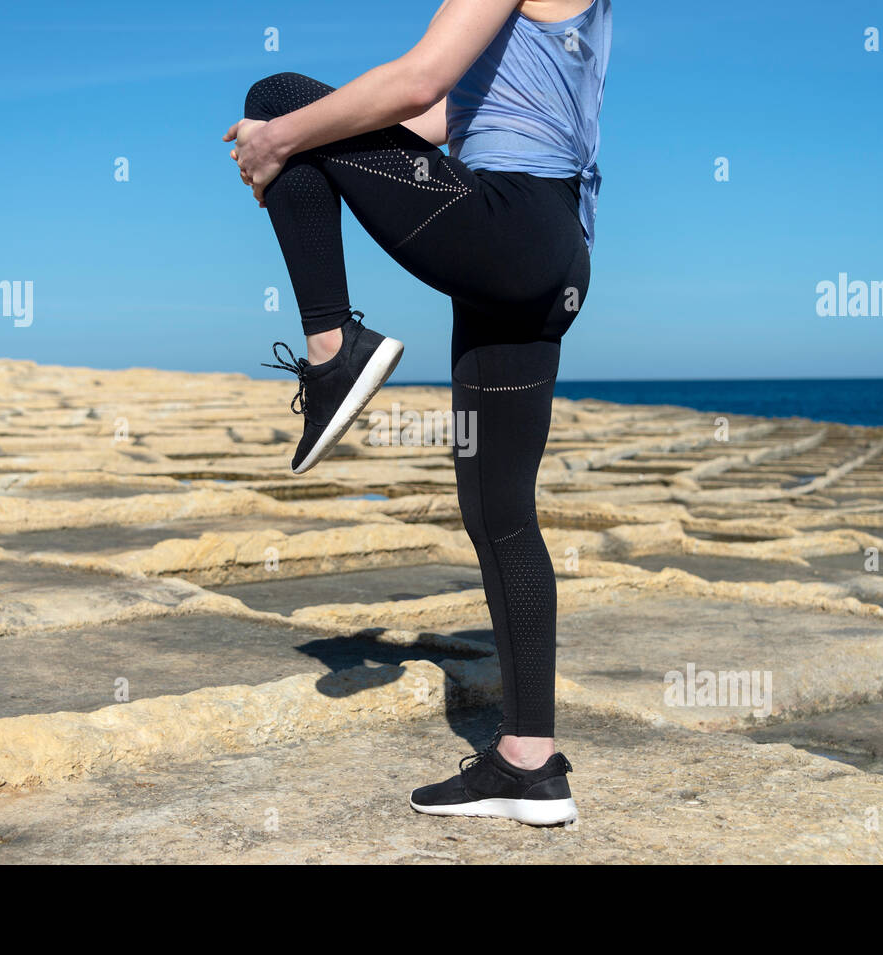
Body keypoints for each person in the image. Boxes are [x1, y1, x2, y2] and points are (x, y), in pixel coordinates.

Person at [224, 0, 610, 826]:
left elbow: (418, 79)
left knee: (279, 94)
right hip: (556, 256)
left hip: (513, 223)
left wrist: (279, 140)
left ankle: (335, 351)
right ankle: (529, 766)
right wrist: (299, 141)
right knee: (501, 514)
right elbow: (444, 113)